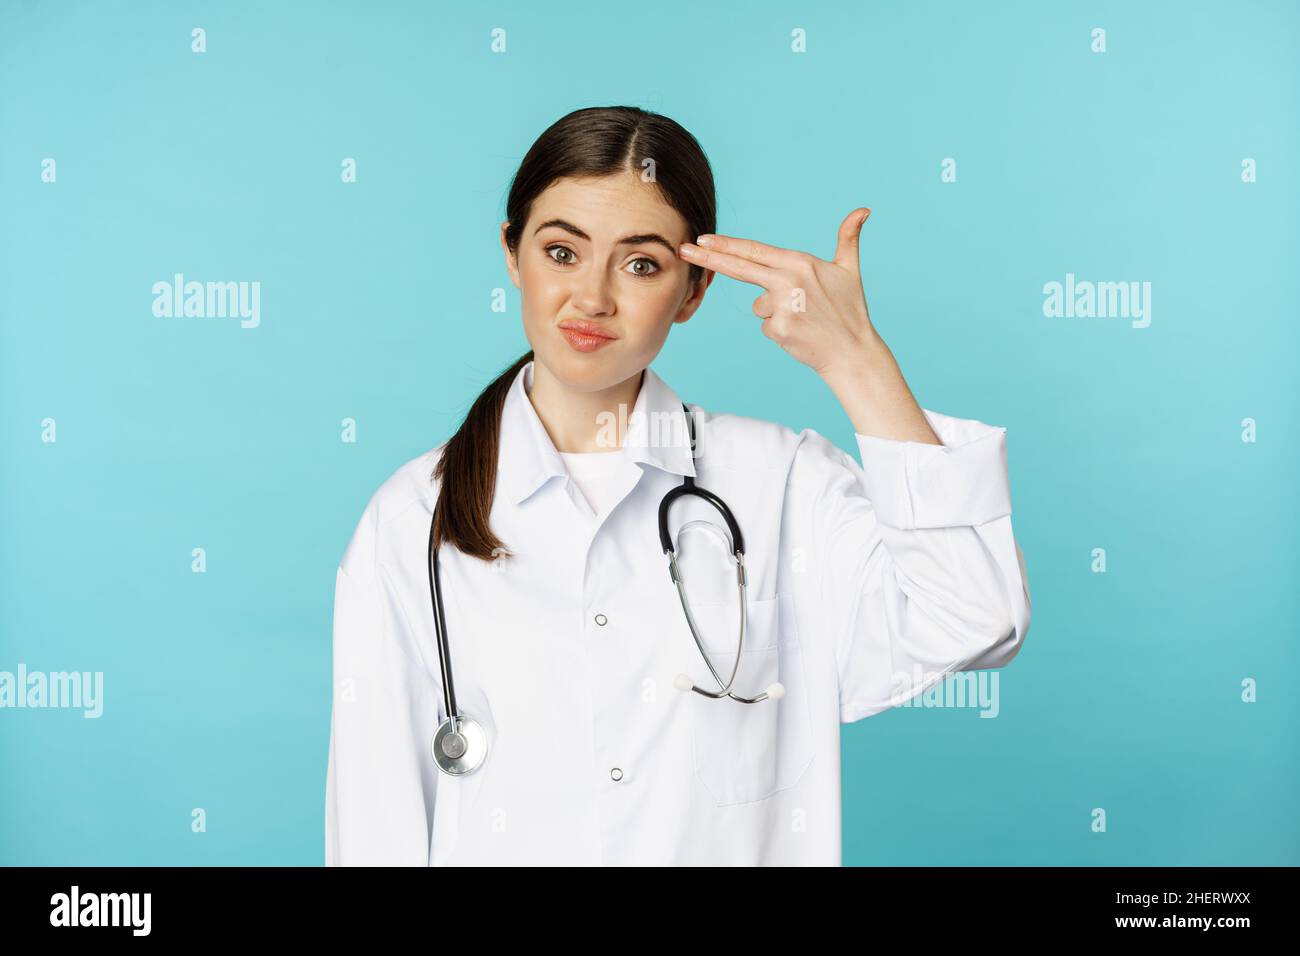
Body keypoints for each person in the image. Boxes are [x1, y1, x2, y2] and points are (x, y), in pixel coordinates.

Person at [324, 105, 1031, 866]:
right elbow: (375, 824)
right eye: (561, 252)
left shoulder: (784, 483)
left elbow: (975, 618)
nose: (591, 298)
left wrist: (856, 361)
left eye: (641, 264)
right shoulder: (412, 519)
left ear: (693, 292)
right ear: (511, 253)